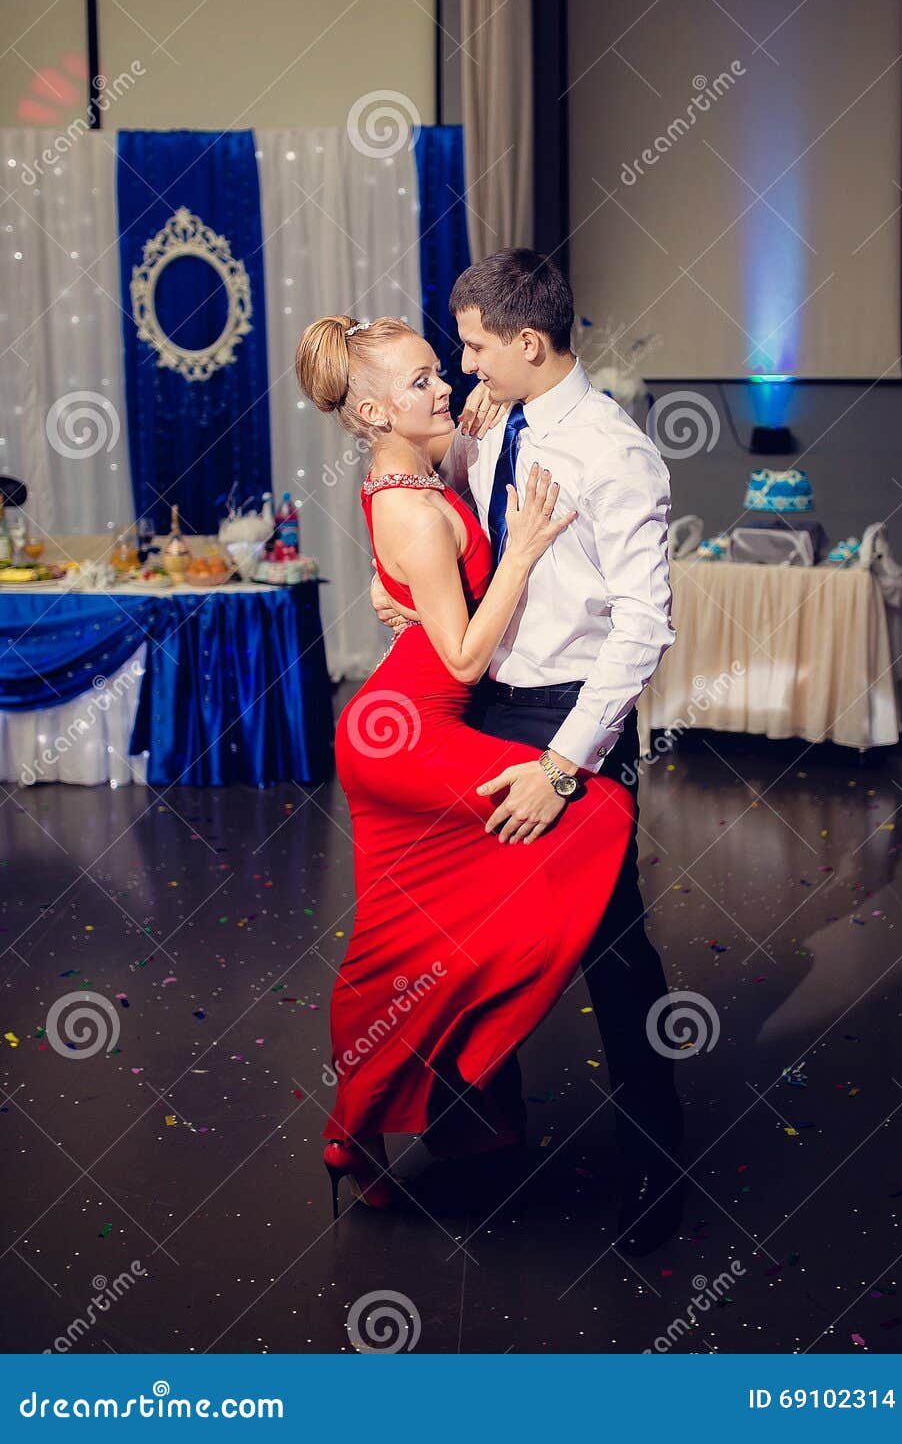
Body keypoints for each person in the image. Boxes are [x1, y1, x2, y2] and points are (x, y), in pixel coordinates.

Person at [370, 250, 685, 1255]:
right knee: (466, 937)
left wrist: (562, 766)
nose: (461, 366)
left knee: (610, 942)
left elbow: (642, 629)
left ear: (527, 343)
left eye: (471, 346)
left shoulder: (617, 455)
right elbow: (460, 544)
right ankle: (484, 1150)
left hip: (573, 715)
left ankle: (655, 1163)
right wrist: (410, 603)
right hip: (481, 704)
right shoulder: (488, 422)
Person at [294, 312, 635, 1230]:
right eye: (418, 382)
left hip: (393, 724)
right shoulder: (407, 500)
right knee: (596, 812)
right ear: (370, 410)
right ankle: (442, 1084)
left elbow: (438, 494)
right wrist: (520, 554)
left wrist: (475, 414)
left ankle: (372, 1129)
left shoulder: (410, 469)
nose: (441, 386)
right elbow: (463, 661)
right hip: (411, 734)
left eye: (440, 369)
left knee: (405, 938)